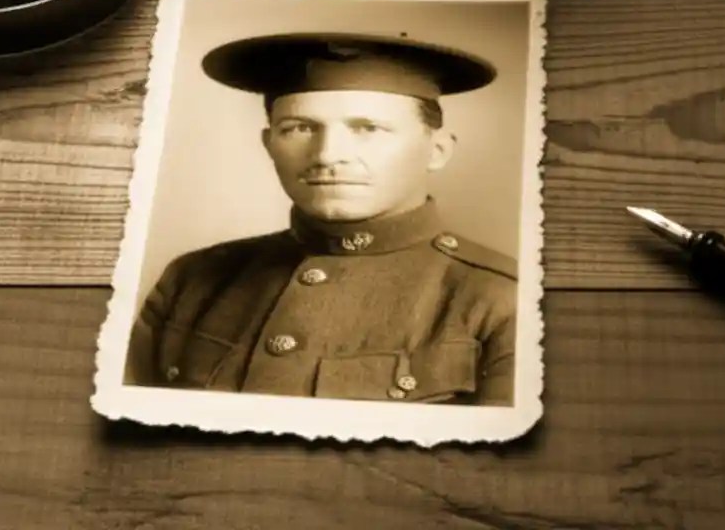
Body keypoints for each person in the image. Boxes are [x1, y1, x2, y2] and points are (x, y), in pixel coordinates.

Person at [125, 33, 518, 406]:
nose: (328, 154)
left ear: (436, 150)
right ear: (269, 145)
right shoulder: (191, 281)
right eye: (299, 128)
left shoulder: (501, 300)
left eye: (368, 129)